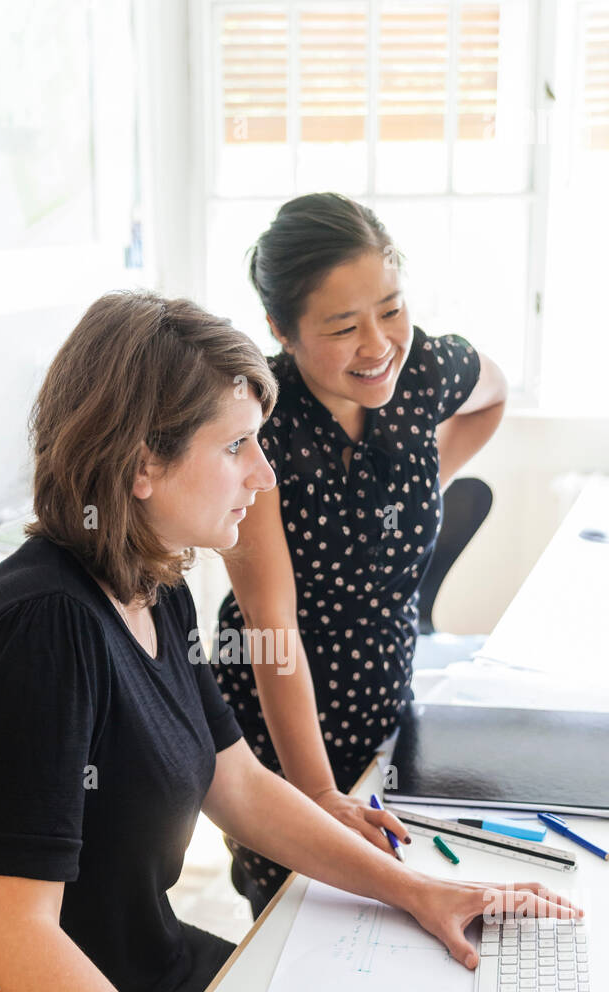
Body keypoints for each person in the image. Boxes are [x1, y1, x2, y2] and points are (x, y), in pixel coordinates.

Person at [0, 290, 573, 992]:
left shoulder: (157, 584)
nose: (263, 476)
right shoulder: (43, 632)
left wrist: (415, 892)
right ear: (142, 464)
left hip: (153, 984)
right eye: (235, 447)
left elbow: (241, 785)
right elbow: (14, 941)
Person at [214, 193, 508, 919]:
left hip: (385, 695)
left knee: (391, 908)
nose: (378, 344)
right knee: (300, 914)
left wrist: (426, 481)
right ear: (281, 331)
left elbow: (493, 394)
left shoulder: (428, 369)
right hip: (287, 720)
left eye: (391, 308)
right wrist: (316, 797)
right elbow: (270, 628)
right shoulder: (265, 430)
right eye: (343, 327)